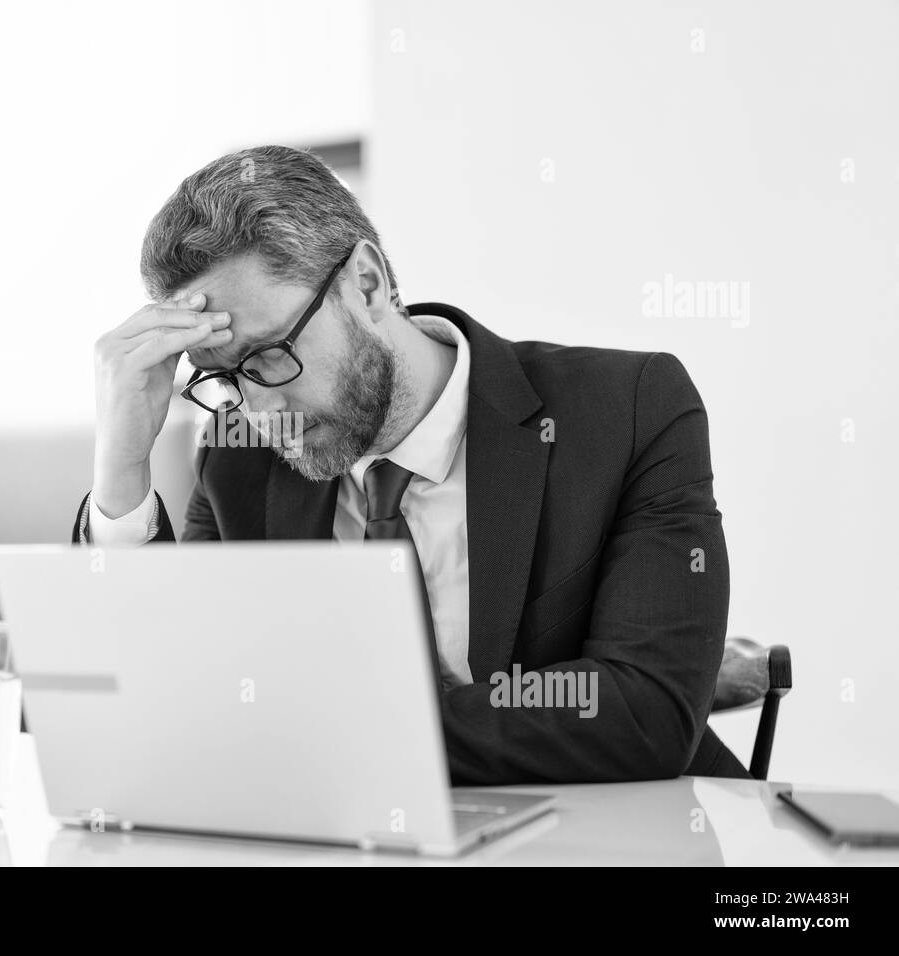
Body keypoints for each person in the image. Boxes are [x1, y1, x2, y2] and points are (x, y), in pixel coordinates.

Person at [74, 144, 746, 784]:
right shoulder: (239, 454)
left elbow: (644, 712)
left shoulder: (625, 411)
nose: (256, 408)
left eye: (272, 354)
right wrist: (122, 469)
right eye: (223, 377)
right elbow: (174, 705)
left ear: (366, 285)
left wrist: (337, 735)